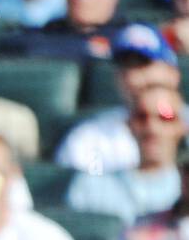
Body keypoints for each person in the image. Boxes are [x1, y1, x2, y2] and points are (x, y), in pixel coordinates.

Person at [55, 23, 185, 174]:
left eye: (143, 64)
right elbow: (85, 191)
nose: (133, 76)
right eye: (126, 66)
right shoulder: (91, 139)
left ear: (172, 73)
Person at [67, 83, 186, 227]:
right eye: (142, 117)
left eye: (165, 117)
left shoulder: (186, 187)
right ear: (129, 124)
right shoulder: (92, 186)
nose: (152, 128)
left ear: (182, 126)